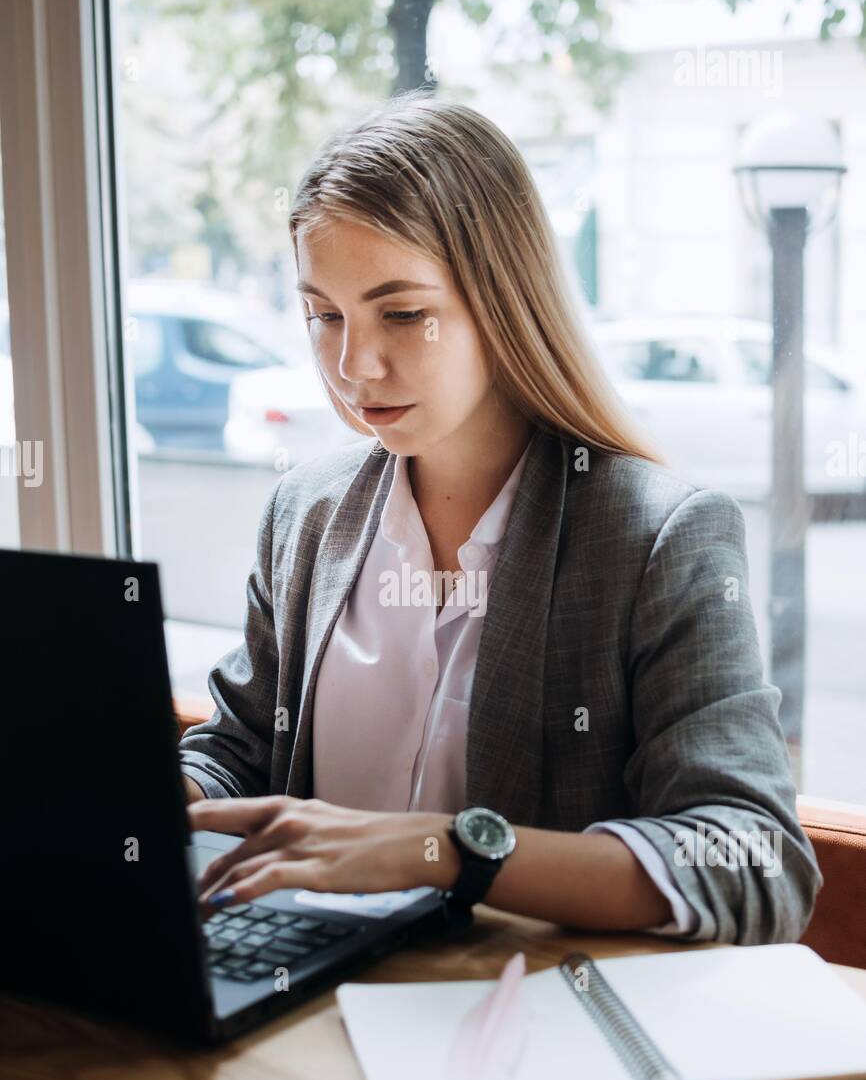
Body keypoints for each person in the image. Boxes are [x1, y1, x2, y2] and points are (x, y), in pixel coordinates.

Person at [179, 93, 821, 945]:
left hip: (525, 1034)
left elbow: (754, 859)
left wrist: (440, 850)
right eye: (324, 315)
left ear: (503, 300)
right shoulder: (307, 514)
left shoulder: (658, 539)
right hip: (304, 1009)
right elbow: (239, 749)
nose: (352, 364)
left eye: (402, 313)